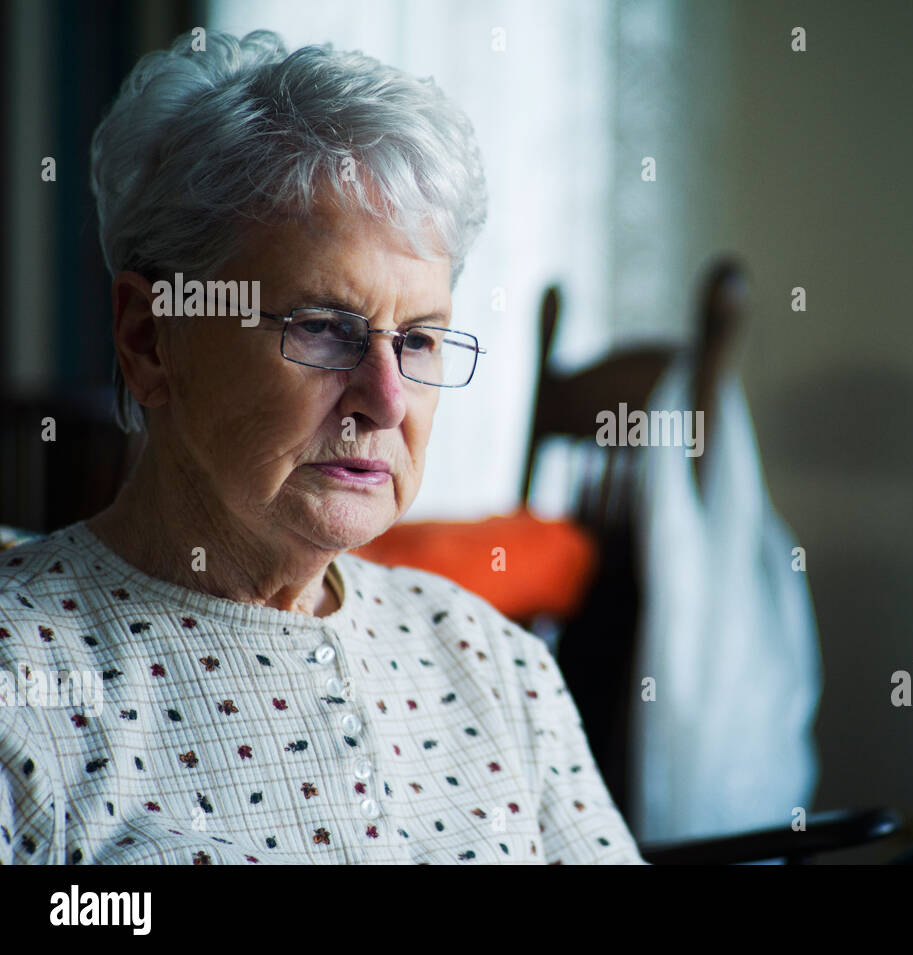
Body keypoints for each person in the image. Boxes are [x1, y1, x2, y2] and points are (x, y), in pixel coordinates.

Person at [0, 29, 645, 865]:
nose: (386, 398)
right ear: (151, 337)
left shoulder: (493, 661)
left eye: (416, 341)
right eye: (323, 328)